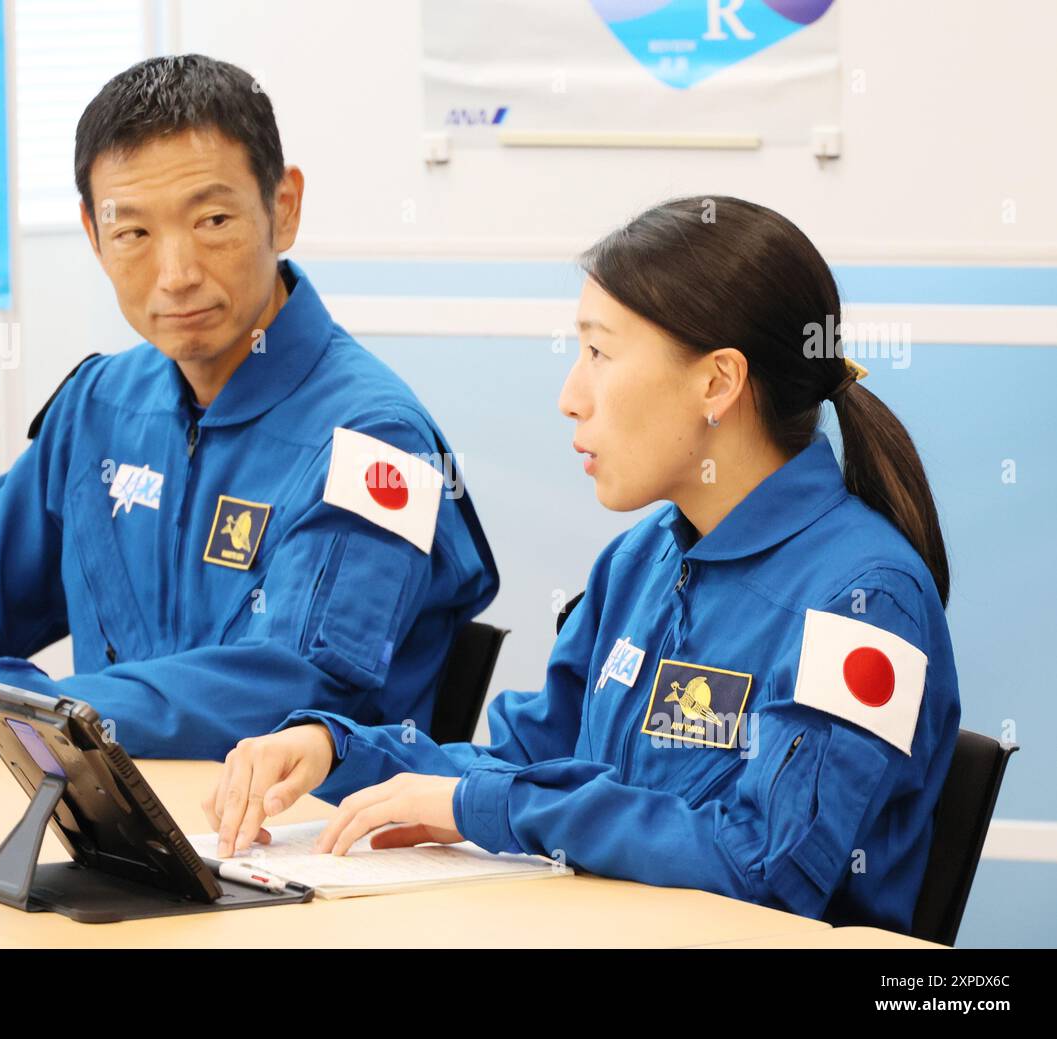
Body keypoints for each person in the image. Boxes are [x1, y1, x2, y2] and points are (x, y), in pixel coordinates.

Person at [203, 196, 961, 931]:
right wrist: (339, 746)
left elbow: (766, 867)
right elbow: (524, 758)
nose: (571, 395)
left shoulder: (866, 599)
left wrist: (492, 804)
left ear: (718, 382)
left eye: (599, 352)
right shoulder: (642, 558)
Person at [0, 55, 498, 765]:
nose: (176, 275)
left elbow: (296, 692)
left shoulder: (379, 445)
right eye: (133, 232)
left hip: (303, 854)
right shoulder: (100, 407)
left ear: (283, 208)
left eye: (212, 219)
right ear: (94, 235)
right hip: (112, 836)